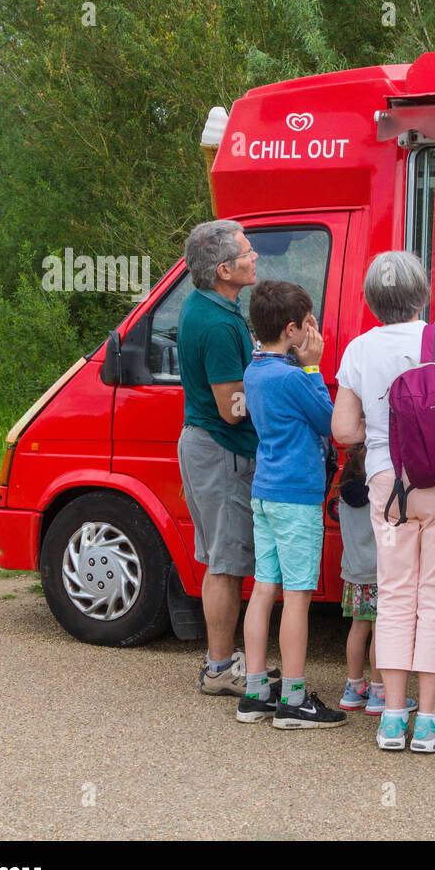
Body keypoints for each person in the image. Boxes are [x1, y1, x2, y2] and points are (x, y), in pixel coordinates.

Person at [331, 251, 435, 753]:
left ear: (373, 301)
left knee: (396, 594)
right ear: (423, 294)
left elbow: (342, 429)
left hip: (388, 484)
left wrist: (380, 430)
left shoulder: (357, 348)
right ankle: (431, 721)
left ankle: (393, 718)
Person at [234, 280, 346, 728]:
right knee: (297, 597)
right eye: (308, 325)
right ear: (292, 328)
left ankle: (256, 691)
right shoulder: (292, 377)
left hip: (264, 493)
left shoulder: (255, 371)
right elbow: (329, 420)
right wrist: (314, 367)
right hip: (296, 498)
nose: (312, 332)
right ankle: (295, 699)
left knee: (264, 588)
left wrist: (299, 358)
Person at [177, 219, 280, 697]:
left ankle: (223, 660)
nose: (254, 255)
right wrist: (280, 382)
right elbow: (232, 408)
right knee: (225, 563)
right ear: (224, 269)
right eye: (246, 252)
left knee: (223, 558)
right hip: (221, 452)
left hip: (209, 448)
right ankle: (219, 669)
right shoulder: (218, 324)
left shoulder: (209, 304)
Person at [335, 443, 418, 716]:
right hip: (379, 574)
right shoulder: (379, 496)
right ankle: (379, 691)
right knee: (380, 631)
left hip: (354, 573)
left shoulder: (344, 498)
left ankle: (354, 688)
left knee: (358, 628)